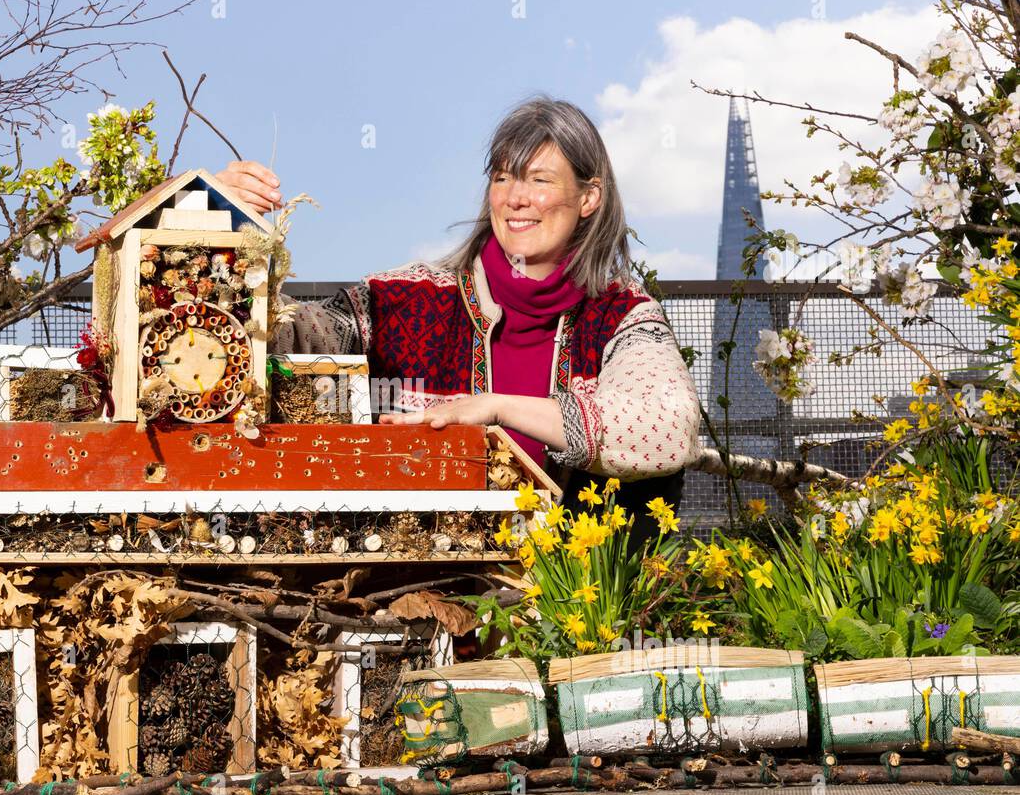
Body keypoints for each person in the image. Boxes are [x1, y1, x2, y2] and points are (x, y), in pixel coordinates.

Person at [216, 97, 701, 542]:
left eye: (539, 179)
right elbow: (280, 340)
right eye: (503, 177)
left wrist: (494, 408)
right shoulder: (408, 299)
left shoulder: (620, 315)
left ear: (589, 198)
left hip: (575, 618)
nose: (515, 197)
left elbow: (668, 430)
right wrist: (218, 227)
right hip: (423, 613)